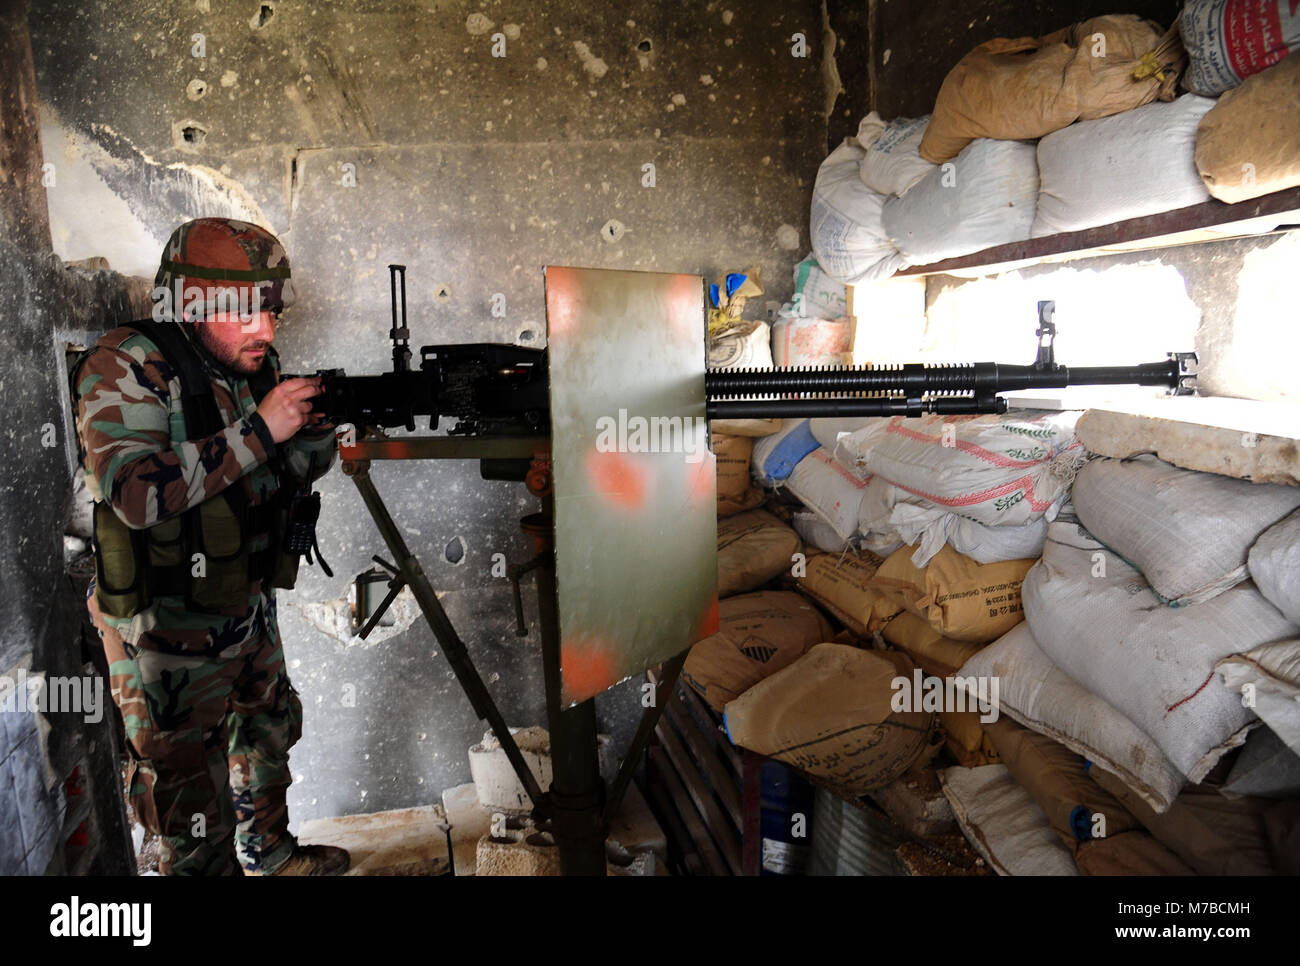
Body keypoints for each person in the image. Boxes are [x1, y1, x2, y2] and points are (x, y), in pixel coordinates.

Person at [71, 217, 349, 876]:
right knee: (183, 781)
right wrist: (261, 430)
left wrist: (310, 439)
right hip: (163, 627)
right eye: (248, 315)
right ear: (193, 304)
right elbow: (135, 494)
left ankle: (270, 855)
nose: (268, 333)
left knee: (267, 728)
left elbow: (282, 470)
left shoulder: (254, 366)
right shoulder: (124, 364)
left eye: (273, 313)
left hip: (244, 599)